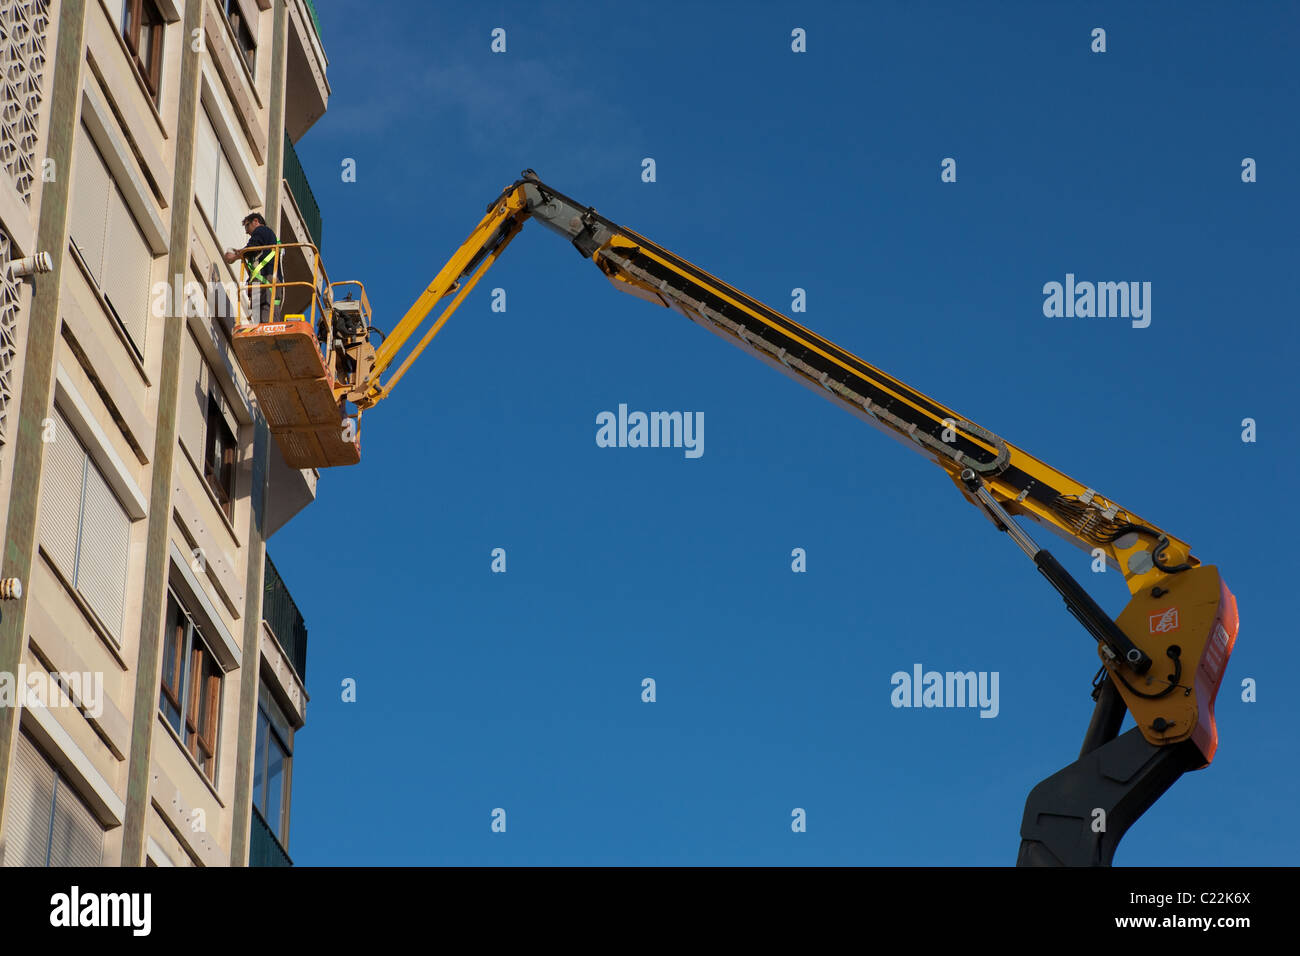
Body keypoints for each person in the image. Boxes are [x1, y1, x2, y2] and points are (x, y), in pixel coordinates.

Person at [223, 213, 282, 324]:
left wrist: (234, 257)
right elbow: (252, 249)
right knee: (269, 317)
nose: (246, 231)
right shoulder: (268, 237)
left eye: (247, 226)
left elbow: (252, 247)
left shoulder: (261, 230)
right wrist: (239, 252)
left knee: (266, 320)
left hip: (266, 281)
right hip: (268, 283)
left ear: (255, 221)